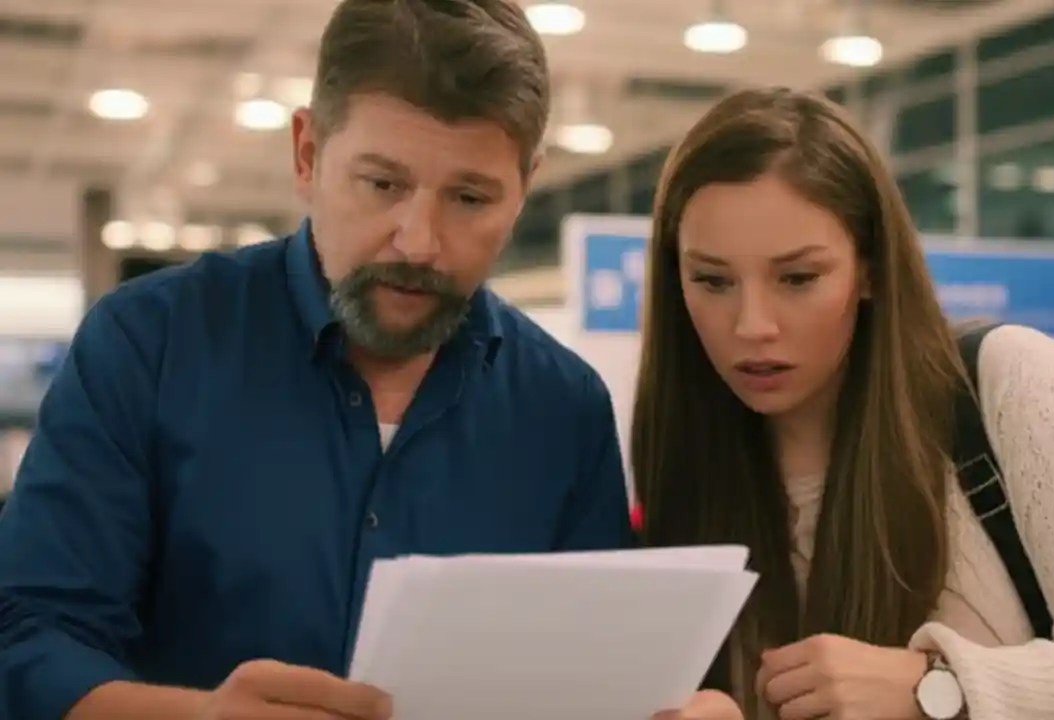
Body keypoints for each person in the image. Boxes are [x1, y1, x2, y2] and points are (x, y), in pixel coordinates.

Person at [0, 1, 632, 719]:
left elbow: (591, 679)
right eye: (383, 184)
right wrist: (199, 718)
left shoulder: (565, 410)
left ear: (524, 189)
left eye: (469, 197)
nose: (419, 241)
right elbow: (31, 639)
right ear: (307, 153)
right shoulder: (150, 344)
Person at [636, 87, 1054, 720]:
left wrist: (934, 688)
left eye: (798, 278)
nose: (752, 325)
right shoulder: (683, 456)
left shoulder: (1001, 382)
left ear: (871, 267)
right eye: (711, 280)